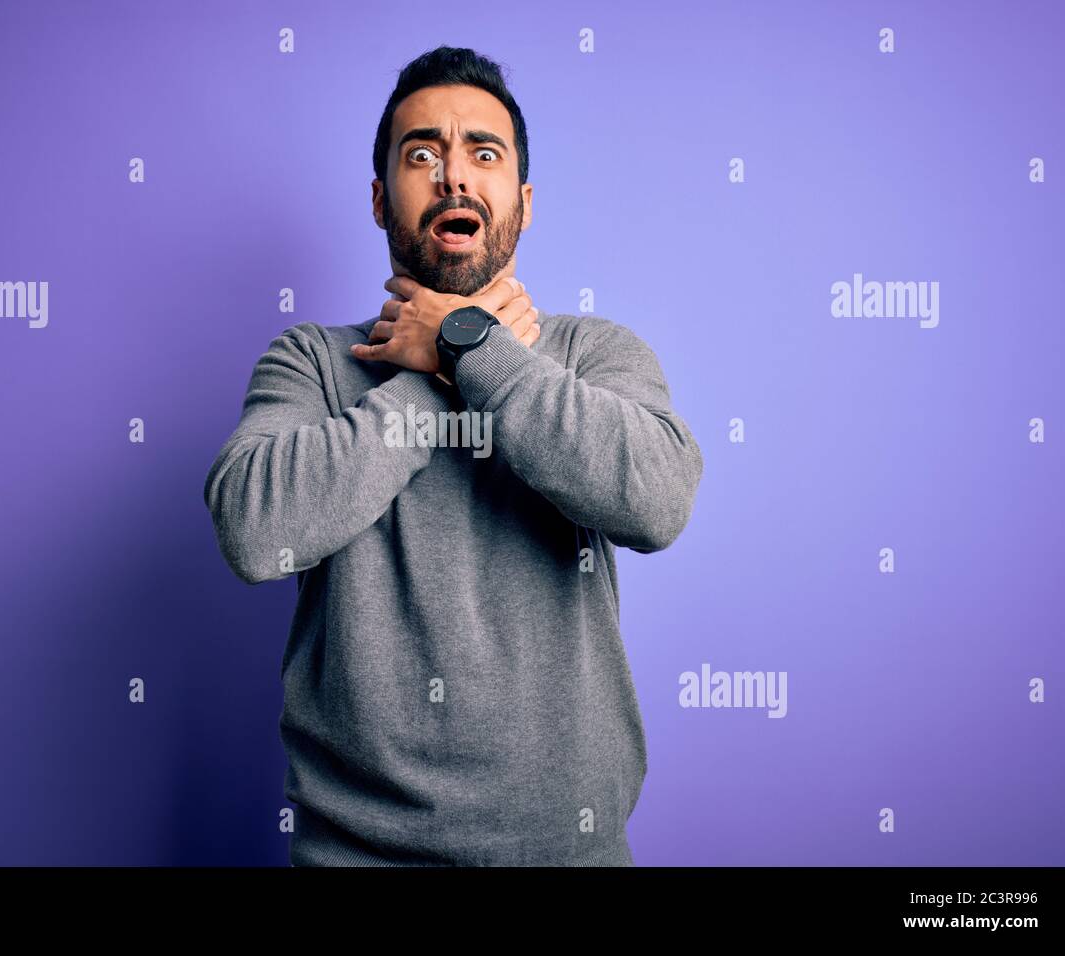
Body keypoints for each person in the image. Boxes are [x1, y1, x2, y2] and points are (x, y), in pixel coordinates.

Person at [204, 45, 703, 866]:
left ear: (524, 201)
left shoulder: (595, 353)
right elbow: (254, 533)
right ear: (378, 199)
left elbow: (658, 501)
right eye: (423, 154)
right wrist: (440, 369)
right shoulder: (313, 363)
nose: (454, 177)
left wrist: (470, 347)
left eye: (484, 152)